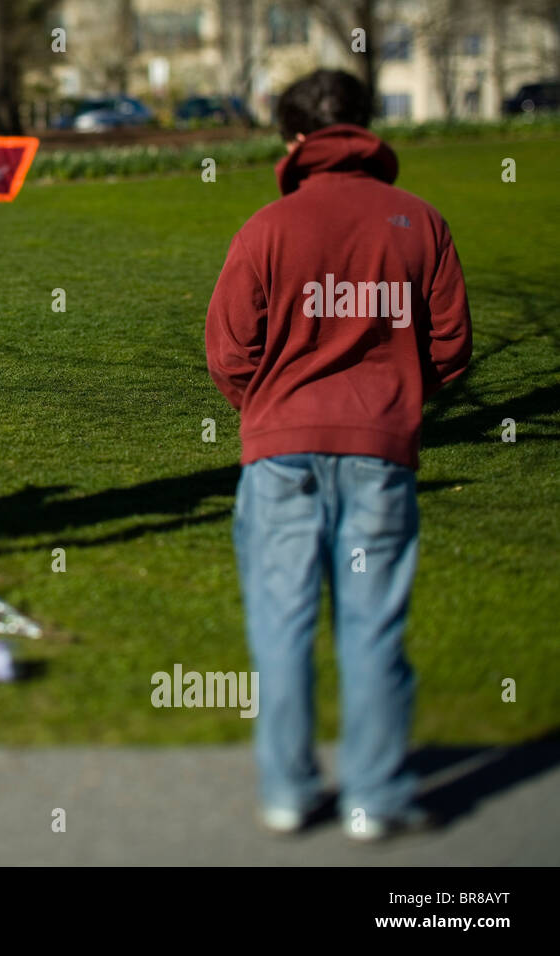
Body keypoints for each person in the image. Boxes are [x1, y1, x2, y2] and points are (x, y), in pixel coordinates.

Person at [205, 70, 472, 841]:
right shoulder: (419, 222)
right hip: (381, 454)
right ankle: (375, 796)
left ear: (295, 141)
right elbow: (450, 348)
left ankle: (288, 791)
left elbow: (229, 351)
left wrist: (269, 407)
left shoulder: (267, 227)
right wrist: (396, 397)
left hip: (280, 455)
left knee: (281, 624)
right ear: (367, 124)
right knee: (374, 624)